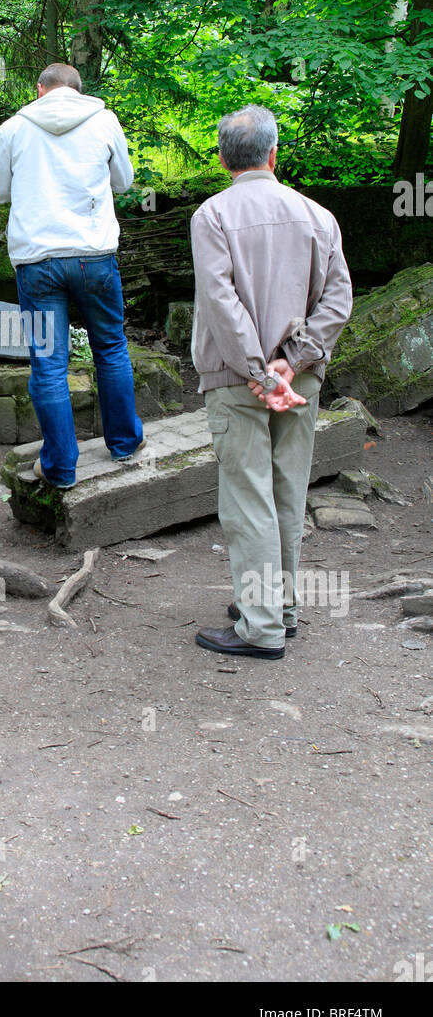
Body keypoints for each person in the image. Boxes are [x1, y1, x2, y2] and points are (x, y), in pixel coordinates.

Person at [190, 105, 352, 661]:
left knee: (248, 497)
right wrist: (293, 361)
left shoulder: (211, 216)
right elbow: (339, 300)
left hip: (238, 380)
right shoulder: (318, 216)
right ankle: (280, 608)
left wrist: (259, 371)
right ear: (273, 153)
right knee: (287, 492)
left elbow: (219, 302)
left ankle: (260, 626)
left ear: (221, 157)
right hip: (298, 379)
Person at [0, 62, 143, 487]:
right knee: (110, 346)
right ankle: (125, 443)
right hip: (94, 255)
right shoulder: (104, 120)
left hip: (38, 261)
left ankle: (60, 465)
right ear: (78, 90)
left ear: (40, 90)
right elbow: (124, 182)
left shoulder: (14, 128)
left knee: (49, 363)